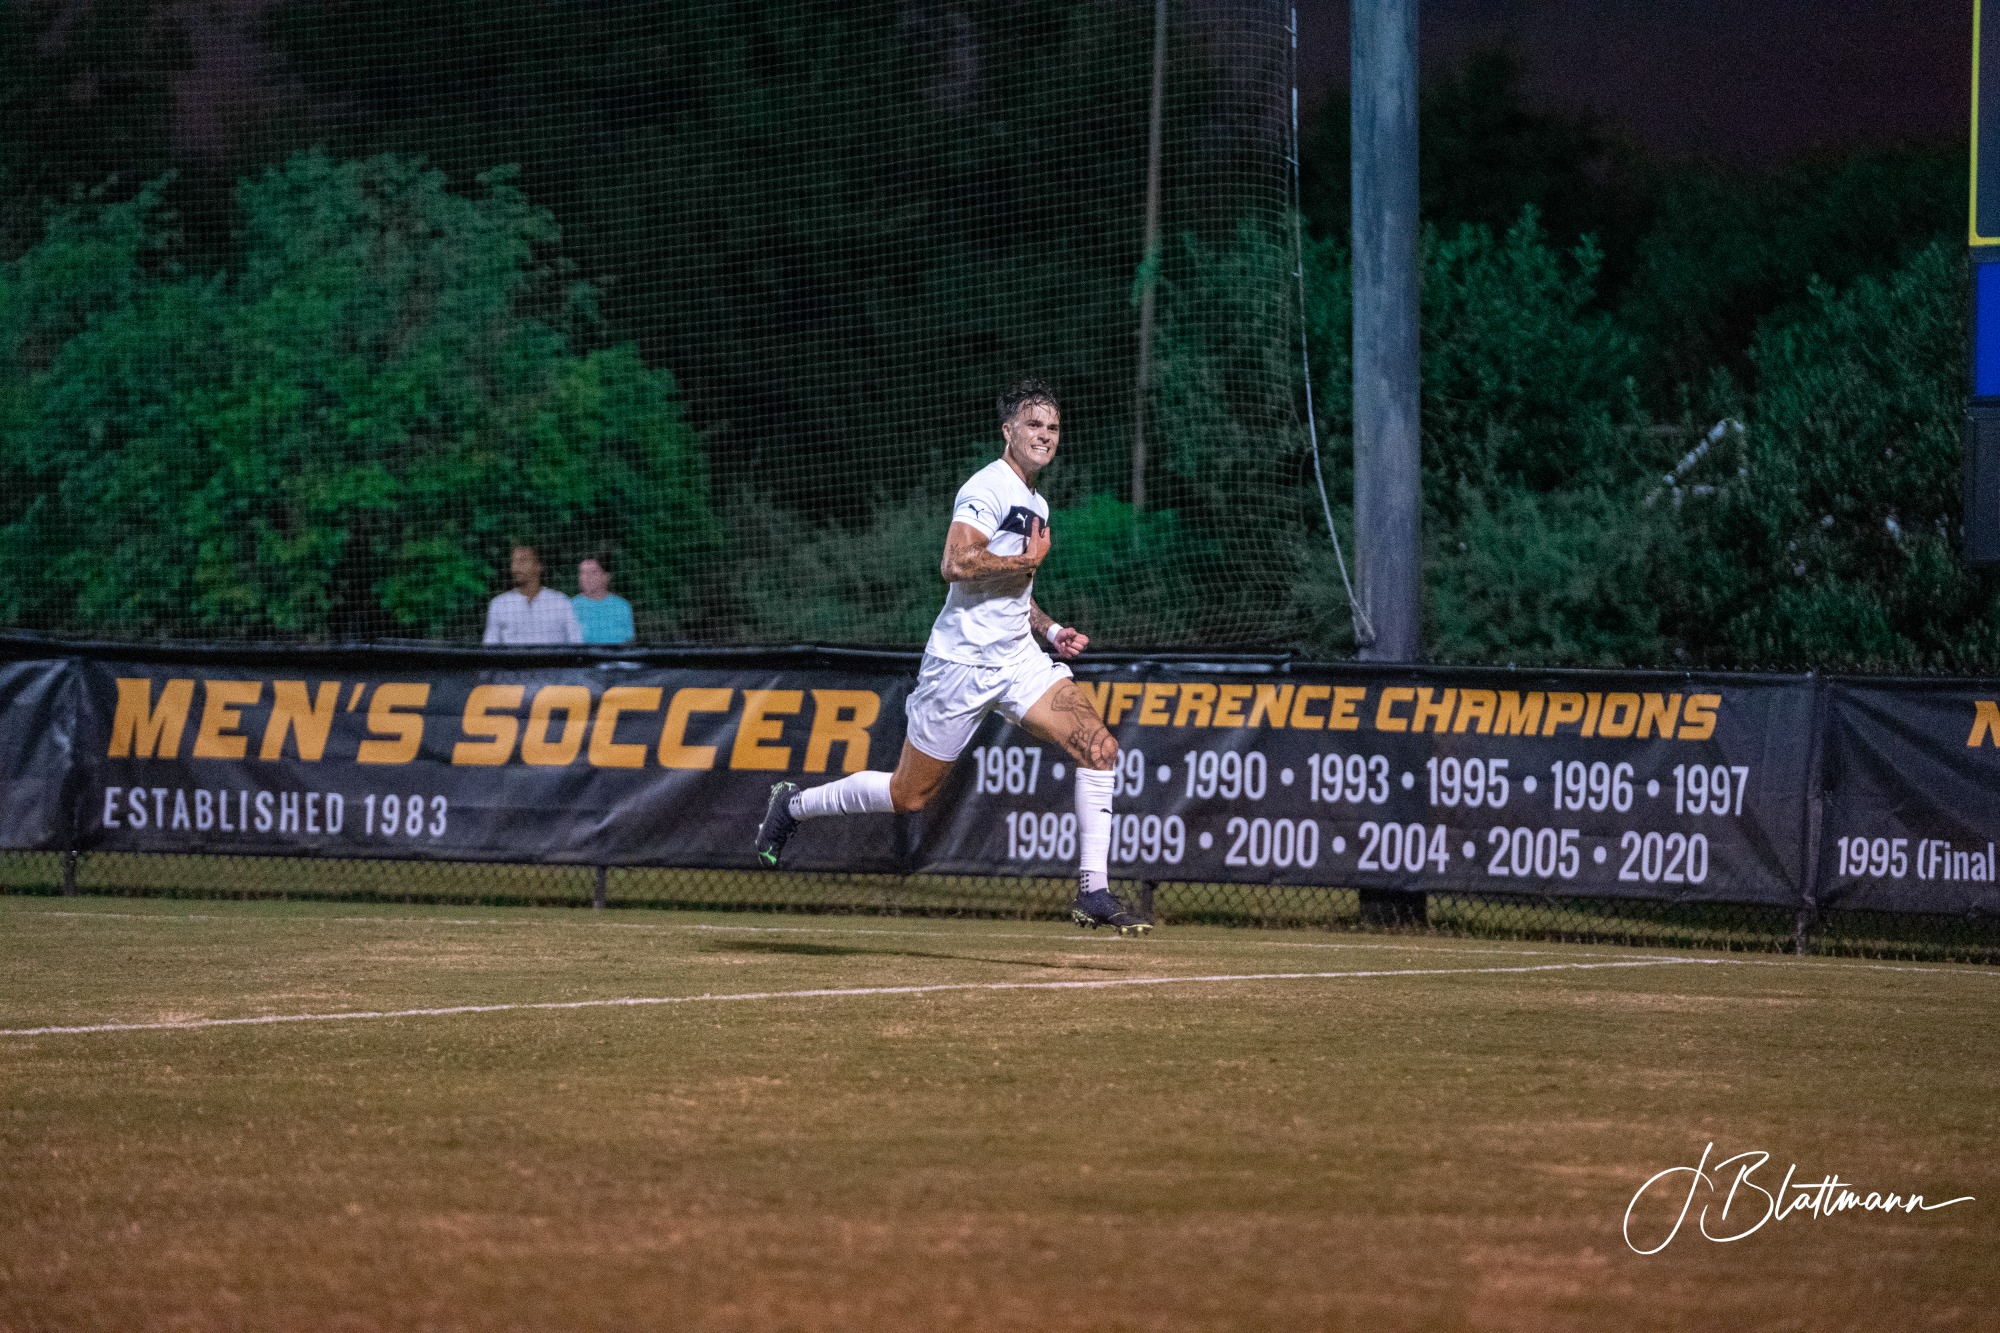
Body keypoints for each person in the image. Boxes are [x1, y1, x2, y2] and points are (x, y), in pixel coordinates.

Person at [753, 380, 1149, 936]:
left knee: (1099, 748)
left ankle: (1094, 891)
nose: (1045, 435)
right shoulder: (987, 487)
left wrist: (1051, 628)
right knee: (907, 795)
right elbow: (956, 563)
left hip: (1018, 661)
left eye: (1053, 427)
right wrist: (1026, 562)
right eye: (1033, 425)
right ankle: (793, 805)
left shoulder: (1036, 502)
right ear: (1008, 430)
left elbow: (1015, 590)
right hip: (960, 666)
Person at [483, 544, 583, 645]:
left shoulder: (560, 602)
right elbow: (490, 646)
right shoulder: (499, 604)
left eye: (523, 560)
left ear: (539, 566)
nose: (516, 567)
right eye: (513, 561)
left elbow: (576, 643)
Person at [572, 555, 636, 645]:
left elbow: (629, 642)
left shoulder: (622, 606)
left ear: (606, 576)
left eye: (593, 572)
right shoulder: (570, 606)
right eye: (583, 573)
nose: (587, 577)